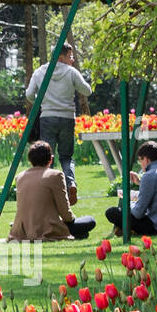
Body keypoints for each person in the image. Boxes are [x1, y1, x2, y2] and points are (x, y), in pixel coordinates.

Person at [25, 43, 92, 203]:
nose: (73, 60)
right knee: (67, 156)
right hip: (67, 117)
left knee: (48, 157)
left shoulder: (40, 71)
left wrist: (41, 102)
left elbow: (29, 94)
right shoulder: (71, 72)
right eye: (70, 56)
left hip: (47, 116)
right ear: (61, 57)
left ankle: (51, 190)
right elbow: (87, 91)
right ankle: (71, 183)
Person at [7, 141, 96, 241]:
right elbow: (66, 214)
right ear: (51, 159)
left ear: (30, 160)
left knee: (82, 230)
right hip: (47, 229)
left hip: (23, 229)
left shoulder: (20, 177)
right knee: (90, 221)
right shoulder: (55, 175)